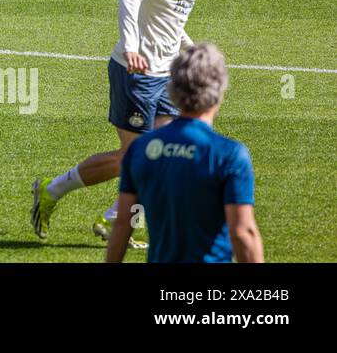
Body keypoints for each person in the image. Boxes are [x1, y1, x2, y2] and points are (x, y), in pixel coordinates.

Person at [32, 0, 229, 249]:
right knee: (133, 158)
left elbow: (168, 15)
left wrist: (190, 48)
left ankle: (115, 220)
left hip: (165, 74)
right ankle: (52, 190)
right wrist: (133, 45)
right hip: (136, 74)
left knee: (166, 155)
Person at [107, 42, 262, 263]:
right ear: (219, 90)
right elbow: (243, 233)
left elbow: (123, 223)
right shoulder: (229, 155)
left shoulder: (142, 149)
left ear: (172, 90)